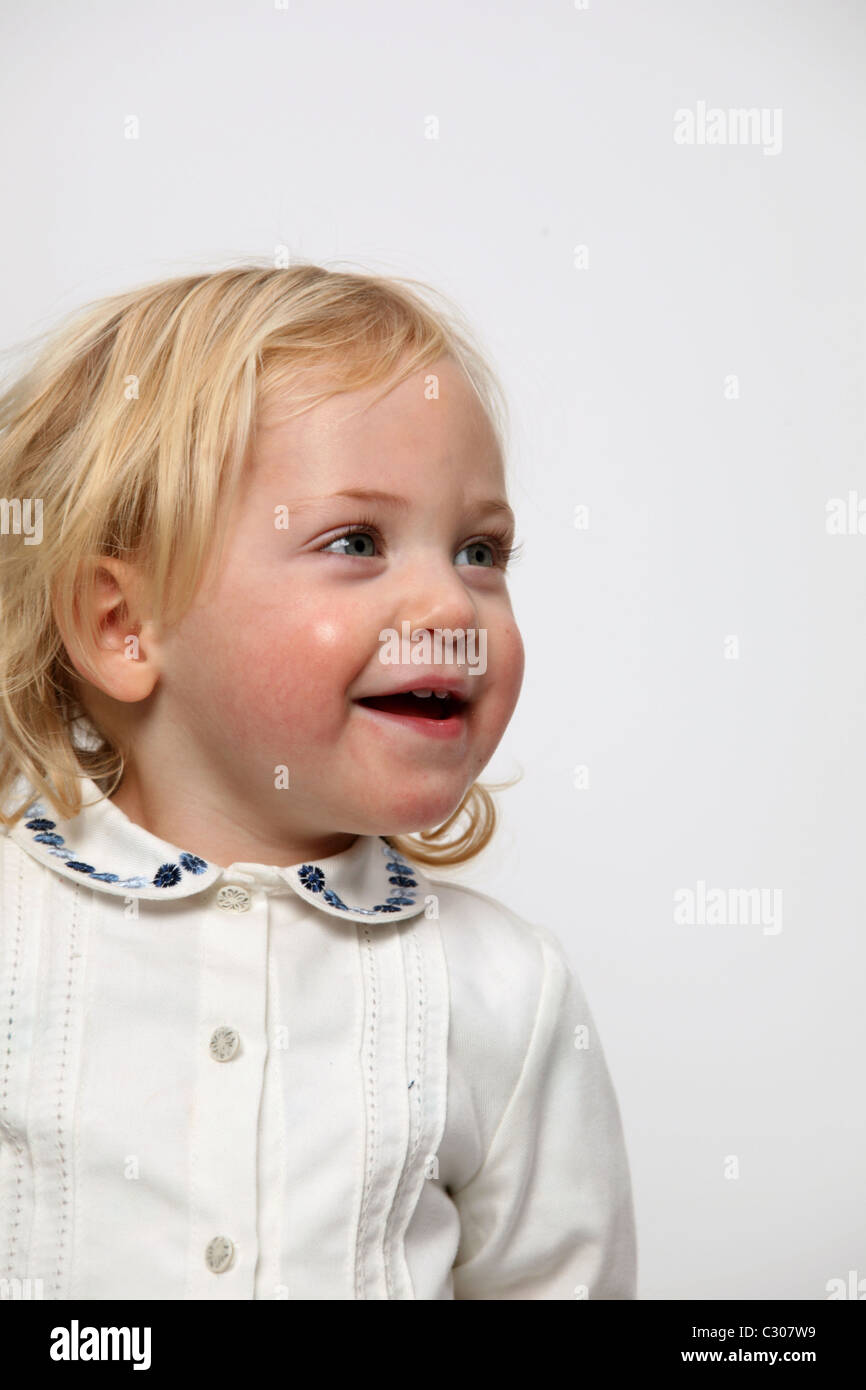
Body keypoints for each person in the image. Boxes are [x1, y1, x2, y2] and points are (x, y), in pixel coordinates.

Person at [0, 263, 637, 1299]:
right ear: (123, 625)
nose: (449, 601)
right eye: (355, 541)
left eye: (480, 549)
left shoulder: (504, 994)